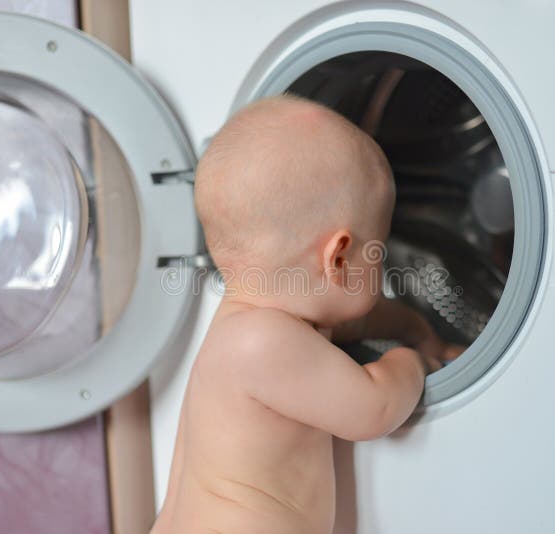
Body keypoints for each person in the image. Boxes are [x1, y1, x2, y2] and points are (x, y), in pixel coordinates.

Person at [151, 94, 460, 534]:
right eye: (379, 252)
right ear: (338, 257)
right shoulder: (261, 343)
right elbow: (374, 408)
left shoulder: (257, 319)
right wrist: (417, 362)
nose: (381, 265)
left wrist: (414, 327)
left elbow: (353, 318)